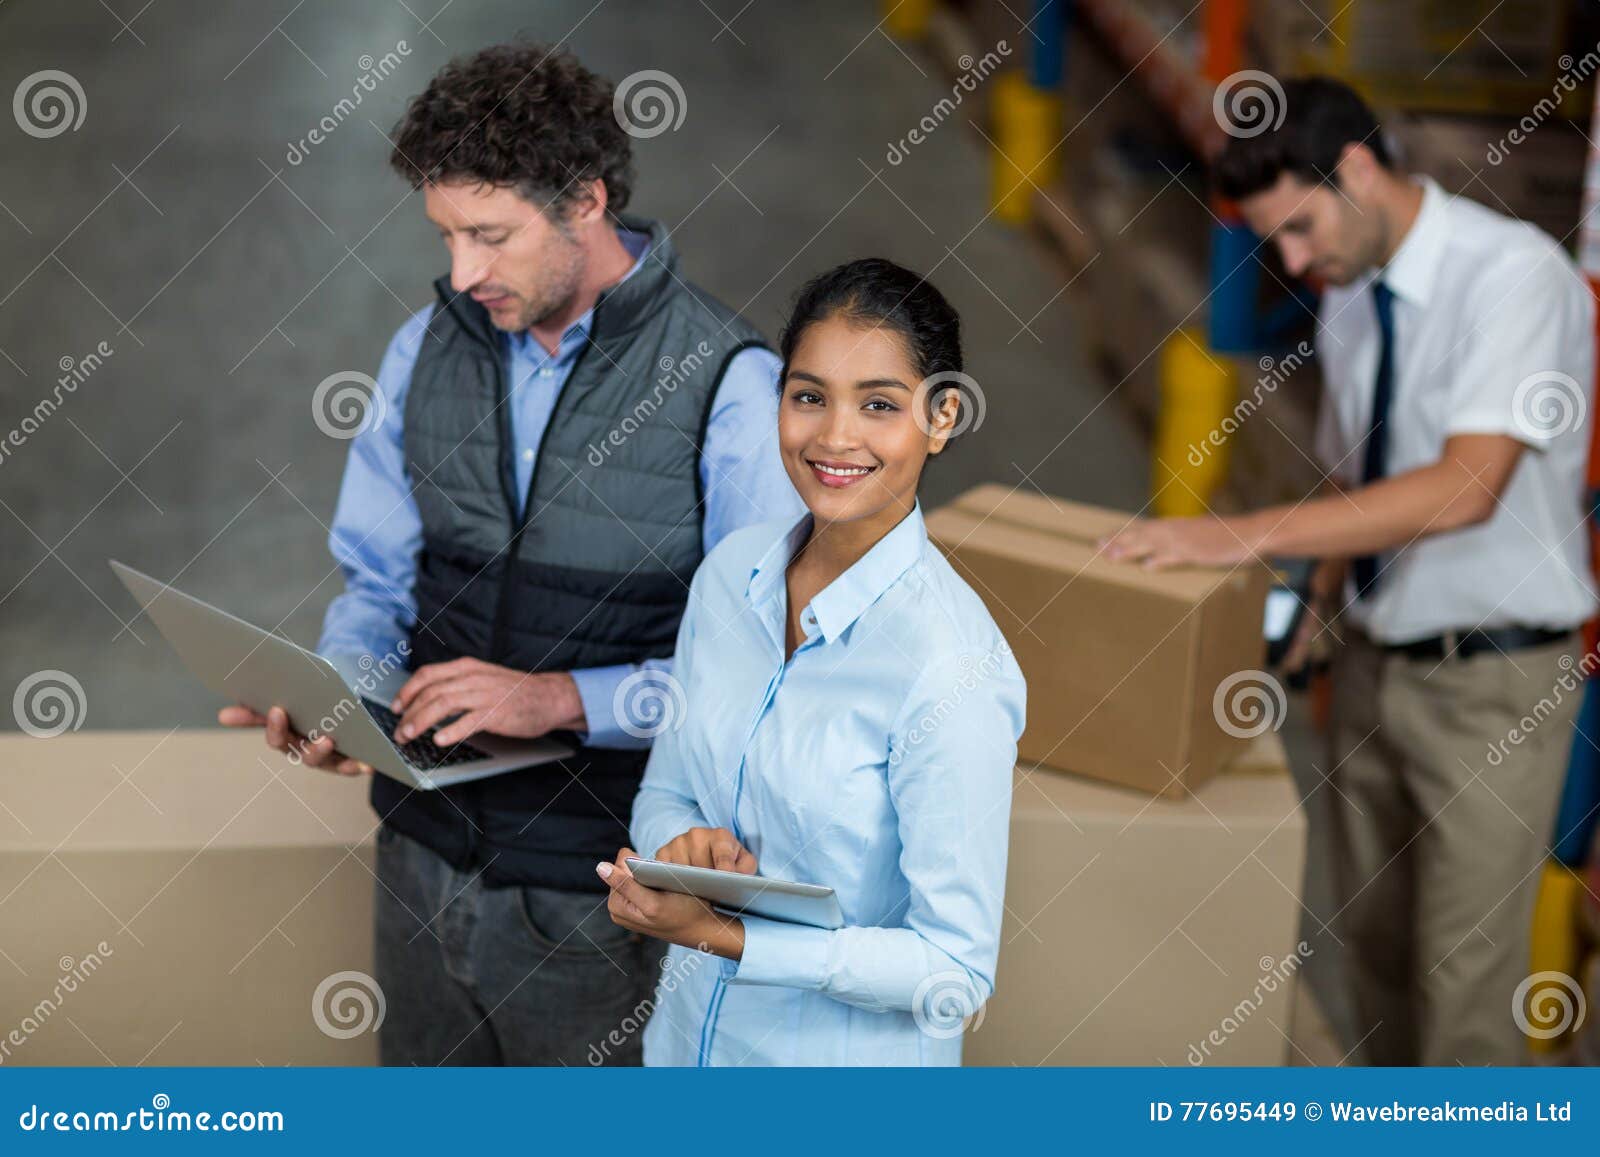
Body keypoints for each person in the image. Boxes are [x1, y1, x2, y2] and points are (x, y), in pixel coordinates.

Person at [220, 42, 803, 1065]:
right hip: (419, 866)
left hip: (598, 897)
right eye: (446, 234)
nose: (462, 272)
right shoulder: (424, 349)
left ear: (586, 201)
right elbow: (377, 582)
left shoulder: (732, 390)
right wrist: (339, 694)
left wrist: (565, 697)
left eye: (491, 235)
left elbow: (766, 677)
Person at [1102, 77, 1597, 1065]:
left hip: (1489, 690)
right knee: (1371, 960)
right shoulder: (1350, 295)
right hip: (1372, 668)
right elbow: (1351, 472)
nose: (1291, 260)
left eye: (1297, 227)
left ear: (1360, 170)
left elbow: (1466, 484)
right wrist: (1314, 611)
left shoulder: (1511, 277)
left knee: (1461, 988)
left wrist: (1235, 535)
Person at [594, 258, 1027, 1066]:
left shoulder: (951, 665)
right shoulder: (730, 575)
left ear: (942, 417)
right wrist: (682, 845)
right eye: (808, 396)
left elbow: (957, 969)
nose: (834, 436)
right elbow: (667, 784)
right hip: (683, 1052)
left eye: (879, 405)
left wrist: (727, 935)